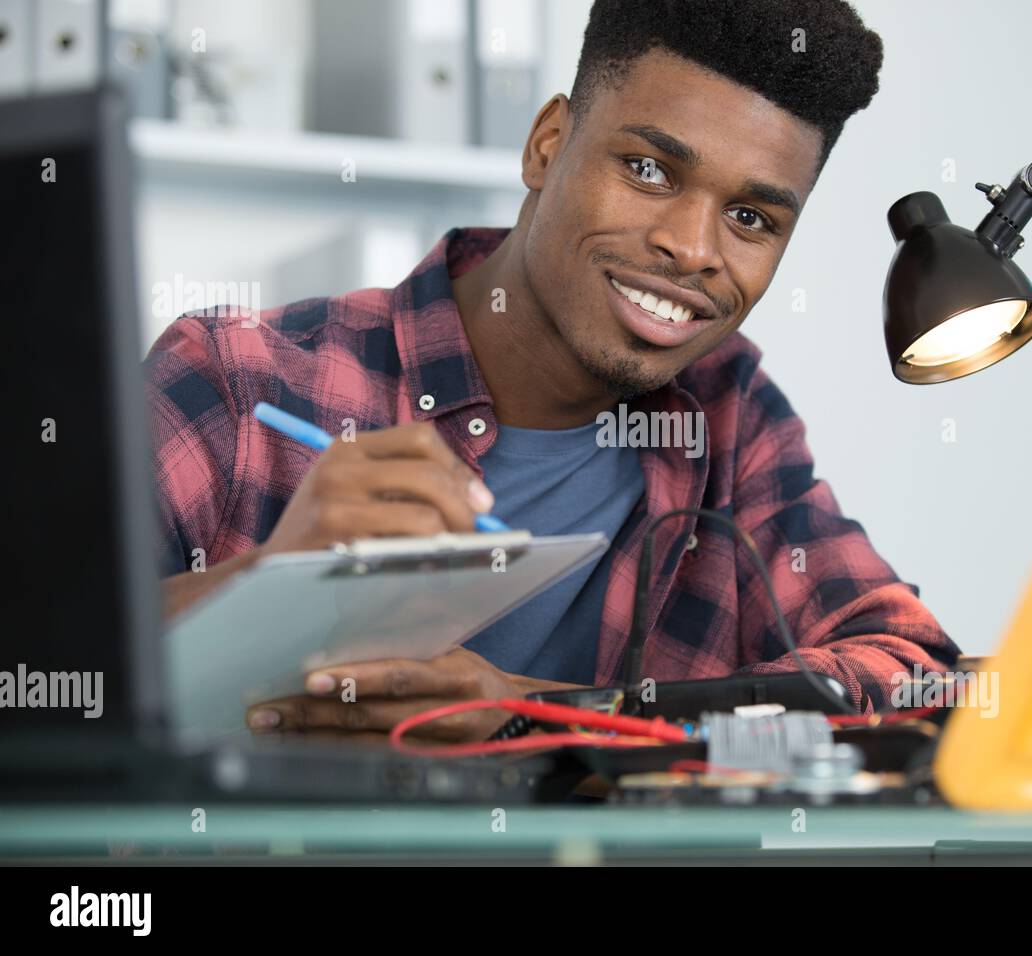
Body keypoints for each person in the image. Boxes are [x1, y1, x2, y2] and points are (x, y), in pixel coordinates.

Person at [144, 0, 960, 743]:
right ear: (546, 145)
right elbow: (40, 669)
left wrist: (534, 710)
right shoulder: (239, 378)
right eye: (649, 170)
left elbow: (916, 673)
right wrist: (271, 587)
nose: (694, 249)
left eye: (750, 217)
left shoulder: (727, 415)